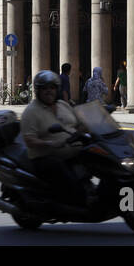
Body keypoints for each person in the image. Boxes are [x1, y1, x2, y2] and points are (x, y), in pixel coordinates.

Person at [20, 70, 89, 205]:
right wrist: (50, 144)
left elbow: (79, 123)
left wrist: (92, 126)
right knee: (60, 170)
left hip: (73, 150)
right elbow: (29, 140)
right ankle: (70, 202)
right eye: (44, 88)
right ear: (38, 91)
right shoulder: (31, 112)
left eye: (52, 87)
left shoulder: (63, 105)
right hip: (46, 156)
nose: (49, 91)